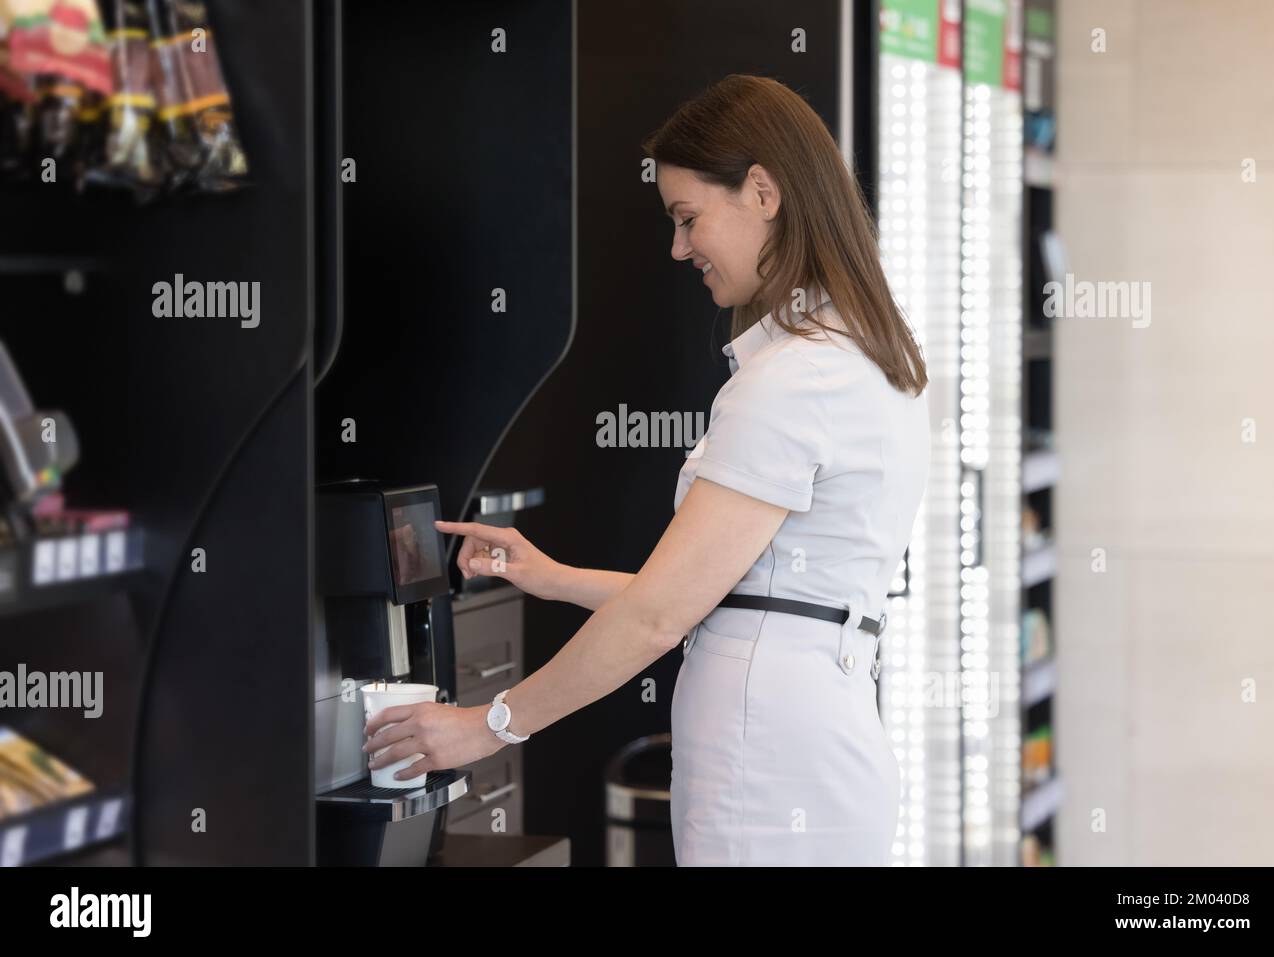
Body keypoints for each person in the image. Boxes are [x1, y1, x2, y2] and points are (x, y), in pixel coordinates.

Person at [363, 74, 930, 866]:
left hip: (771, 770)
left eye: (687, 217)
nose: (678, 247)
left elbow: (663, 616)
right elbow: (731, 598)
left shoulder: (794, 381)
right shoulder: (855, 358)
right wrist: (556, 576)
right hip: (811, 754)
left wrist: (484, 724)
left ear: (763, 191)